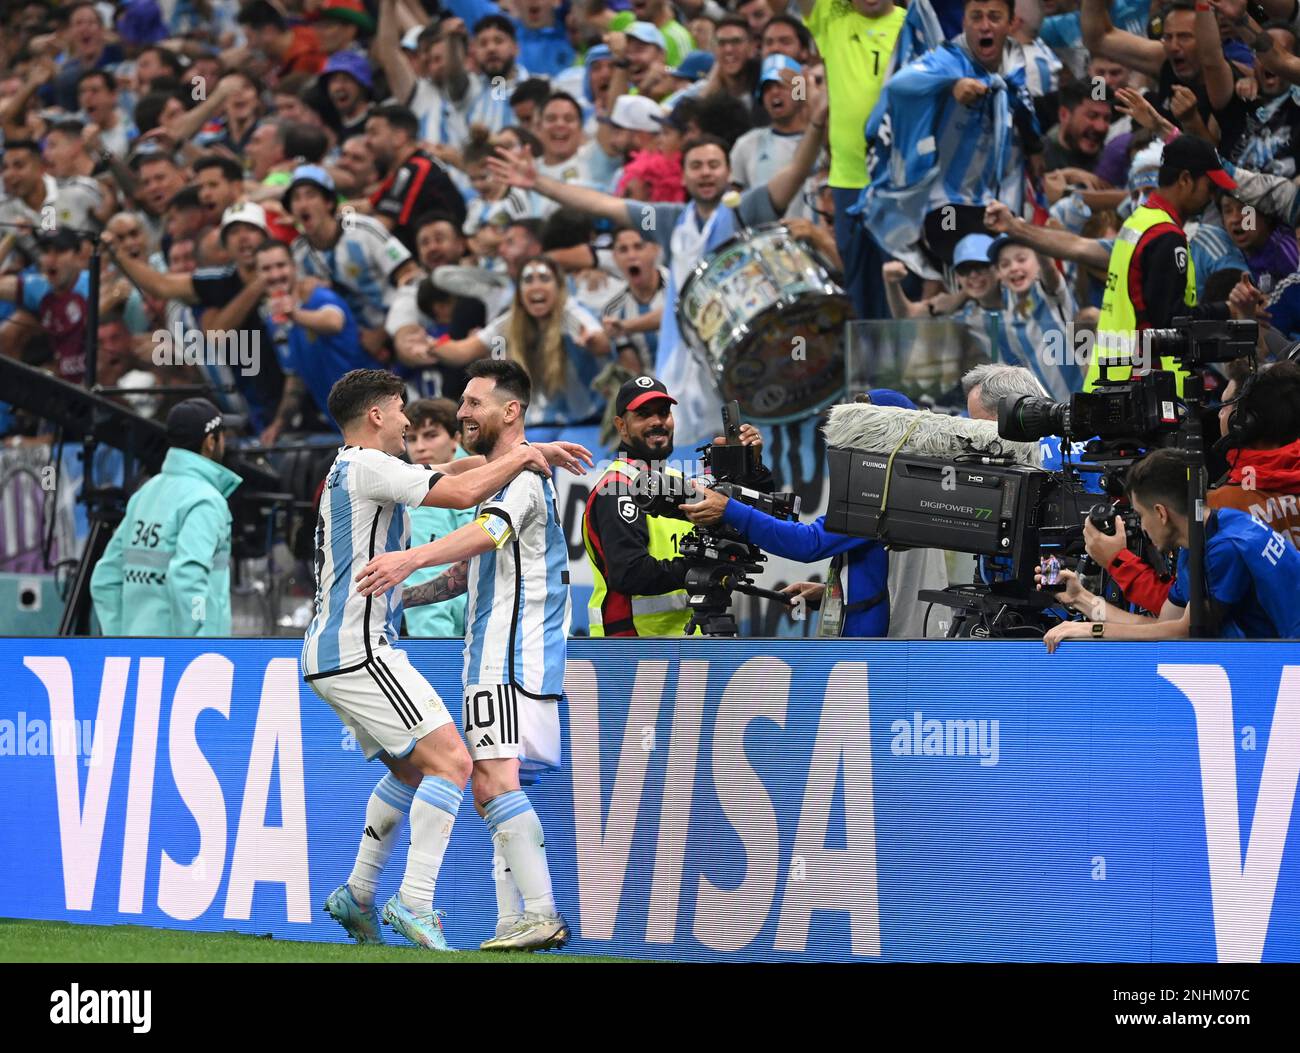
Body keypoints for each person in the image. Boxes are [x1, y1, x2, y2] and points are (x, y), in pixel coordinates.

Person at [306, 368, 589, 950]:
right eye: (402, 409)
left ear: (508, 412)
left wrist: (531, 452)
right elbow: (462, 493)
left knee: (422, 771)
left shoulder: (353, 465)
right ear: (377, 416)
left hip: (357, 651)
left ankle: (361, 894)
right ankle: (417, 901)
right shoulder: (368, 464)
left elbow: (457, 477)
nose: (415, 420)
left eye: (470, 402)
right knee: (459, 767)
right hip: (359, 651)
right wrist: (527, 455)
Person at [486, 89, 827, 445]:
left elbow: (796, 172)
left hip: (743, 359)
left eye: (714, 165)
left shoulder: (745, 210)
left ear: (728, 172)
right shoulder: (670, 220)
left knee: (741, 451)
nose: (706, 173)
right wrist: (537, 182)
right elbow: (605, 205)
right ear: (683, 177)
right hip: (682, 362)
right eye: (696, 166)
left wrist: (816, 123)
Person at [682, 393, 914, 638]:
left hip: (884, 655)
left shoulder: (881, 493)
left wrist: (729, 509)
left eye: (863, 428)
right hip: (878, 647)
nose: (850, 438)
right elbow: (880, 569)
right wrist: (831, 592)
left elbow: (807, 543)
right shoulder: (899, 485)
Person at [1084, 360, 1300, 614]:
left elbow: (1185, 617)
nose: (1218, 413)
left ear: (1246, 421)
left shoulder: (1217, 510)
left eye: (1226, 405)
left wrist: (1117, 561)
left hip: (1252, 651)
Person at [1043, 448, 1300, 649]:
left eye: (1141, 515)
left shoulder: (1224, 549)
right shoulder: (1203, 535)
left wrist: (1093, 631)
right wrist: (1083, 600)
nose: (1142, 526)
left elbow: (1182, 633)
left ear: (1161, 513)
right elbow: (1165, 624)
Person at [1088, 135, 1266, 393]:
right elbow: (1172, 321)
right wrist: (1228, 310)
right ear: (1185, 180)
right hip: (1147, 387)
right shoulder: (1166, 237)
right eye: (1209, 186)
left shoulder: (1138, 221)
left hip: (1114, 378)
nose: (1211, 197)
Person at [581, 376, 753, 637]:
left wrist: (752, 463)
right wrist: (700, 570)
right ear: (621, 426)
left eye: (664, 413)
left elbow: (745, 517)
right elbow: (630, 573)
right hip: (631, 652)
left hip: (687, 644)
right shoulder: (616, 488)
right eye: (643, 414)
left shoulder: (677, 481)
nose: (657, 422)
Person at [89, 399, 242, 636]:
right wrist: (192, 648)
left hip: (139, 657)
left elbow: (104, 578)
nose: (225, 442)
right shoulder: (206, 500)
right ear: (210, 442)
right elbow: (187, 578)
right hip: (191, 664)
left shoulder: (145, 493)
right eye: (222, 435)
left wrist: (121, 641)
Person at [798, 0, 904, 317]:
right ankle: (865, 367)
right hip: (848, 182)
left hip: (899, 184)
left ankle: (908, 366)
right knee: (859, 292)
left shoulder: (913, 24)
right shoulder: (834, 15)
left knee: (901, 284)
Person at [422, 254, 611, 425]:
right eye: (528, 280)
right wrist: (432, 347)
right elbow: (464, 350)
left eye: (544, 279)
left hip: (589, 420)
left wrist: (592, 341)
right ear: (519, 292)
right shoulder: (511, 321)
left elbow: (601, 341)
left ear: (559, 287)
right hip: (539, 425)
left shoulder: (571, 312)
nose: (536, 286)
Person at [403, 398, 474, 638]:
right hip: (452, 638)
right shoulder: (422, 496)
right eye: (411, 439)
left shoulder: (486, 476)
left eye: (431, 435)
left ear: (456, 438)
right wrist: (436, 650)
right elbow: (425, 576)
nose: (420, 447)